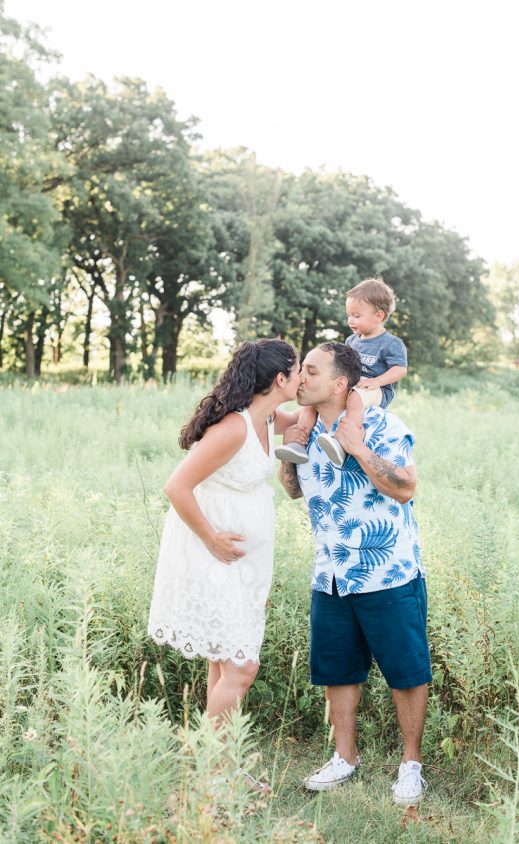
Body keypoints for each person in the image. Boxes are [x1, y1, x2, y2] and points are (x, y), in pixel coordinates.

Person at [278, 342, 431, 805]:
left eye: (310, 370)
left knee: (405, 670)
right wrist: (292, 456)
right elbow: (293, 492)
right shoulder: (303, 429)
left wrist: (359, 448)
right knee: (337, 670)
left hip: (387, 570)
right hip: (331, 572)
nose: (300, 378)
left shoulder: (380, 424)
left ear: (340, 383)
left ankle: (411, 764)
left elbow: (405, 488)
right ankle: (345, 756)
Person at [148, 340, 301, 732]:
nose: (302, 377)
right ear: (281, 378)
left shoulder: (269, 418)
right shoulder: (234, 427)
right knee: (242, 666)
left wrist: (350, 392)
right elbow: (176, 486)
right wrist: (212, 538)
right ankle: (208, 772)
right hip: (210, 552)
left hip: (242, 561)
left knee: (224, 659)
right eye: (300, 370)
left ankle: (218, 771)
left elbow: (305, 417)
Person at [275, 277, 407, 467]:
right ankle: (298, 442)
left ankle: (342, 442)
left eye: (356, 316)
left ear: (378, 316)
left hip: (375, 389)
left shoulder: (390, 343)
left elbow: (400, 369)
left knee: (354, 398)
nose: (350, 320)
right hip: (353, 384)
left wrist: (377, 381)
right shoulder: (352, 341)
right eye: (349, 315)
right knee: (312, 402)